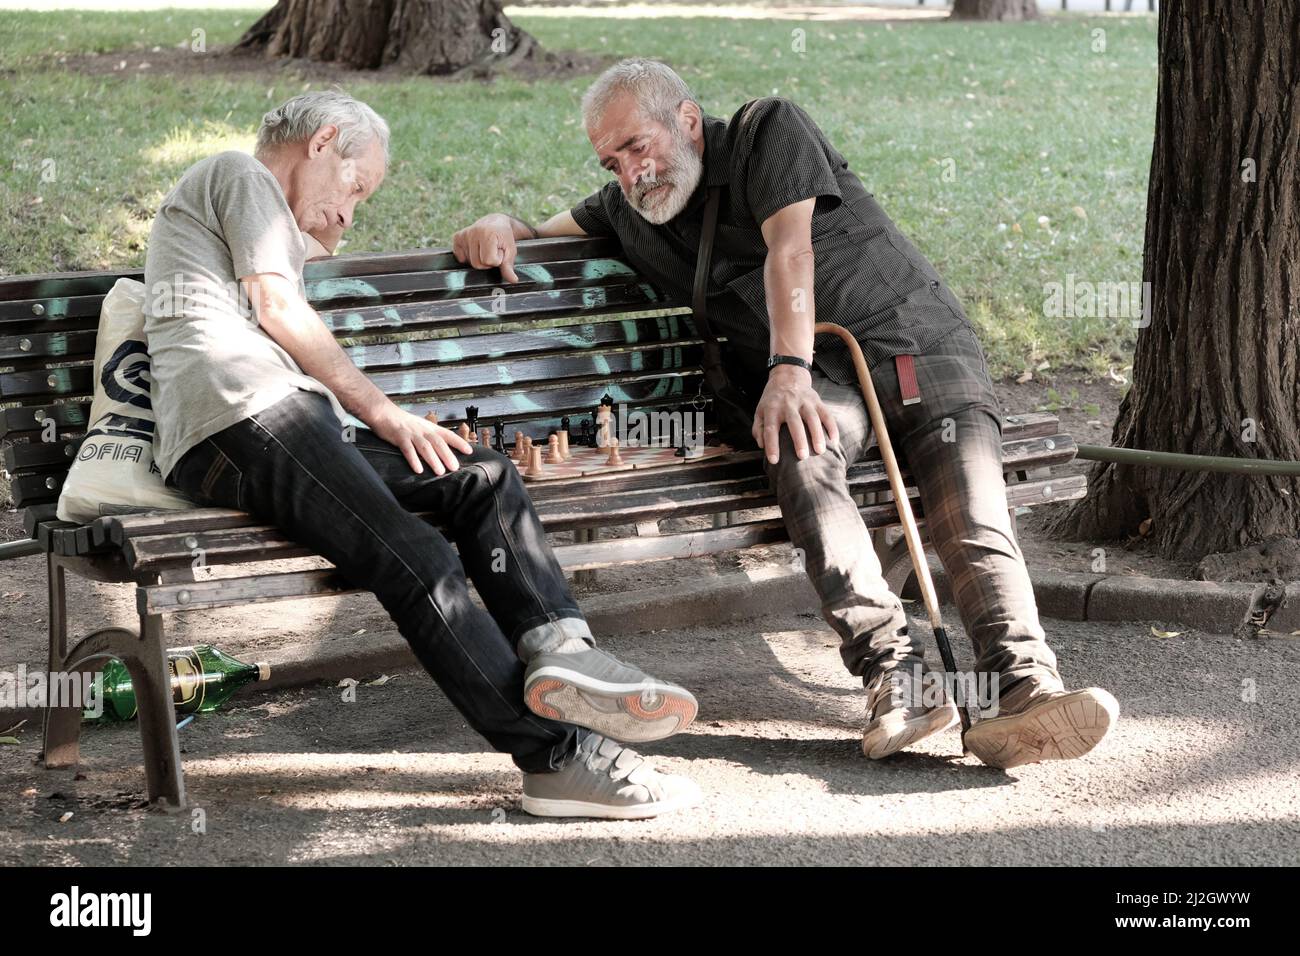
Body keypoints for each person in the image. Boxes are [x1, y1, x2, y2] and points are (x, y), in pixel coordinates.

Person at [451, 59, 1119, 770]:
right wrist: (501, 222)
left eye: (637, 147)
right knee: (800, 453)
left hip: (911, 343)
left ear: (684, 119)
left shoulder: (767, 130)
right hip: (814, 382)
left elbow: (789, 249)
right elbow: (536, 229)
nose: (630, 173)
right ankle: (899, 678)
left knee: (969, 506)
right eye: (612, 161)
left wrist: (787, 369)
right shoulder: (627, 211)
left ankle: (1022, 690)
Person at [144, 90, 701, 818]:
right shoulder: (240, 174)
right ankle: (556, 758)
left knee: (480, 478)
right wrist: (384, 412)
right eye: (356, 187)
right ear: (322, 141)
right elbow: (280, 311)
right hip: (239, 419)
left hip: (277, 426)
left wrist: (321, 223)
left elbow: (287, 279)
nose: (350, 212)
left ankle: (561, 648)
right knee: (417, 561)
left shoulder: (263, 217)